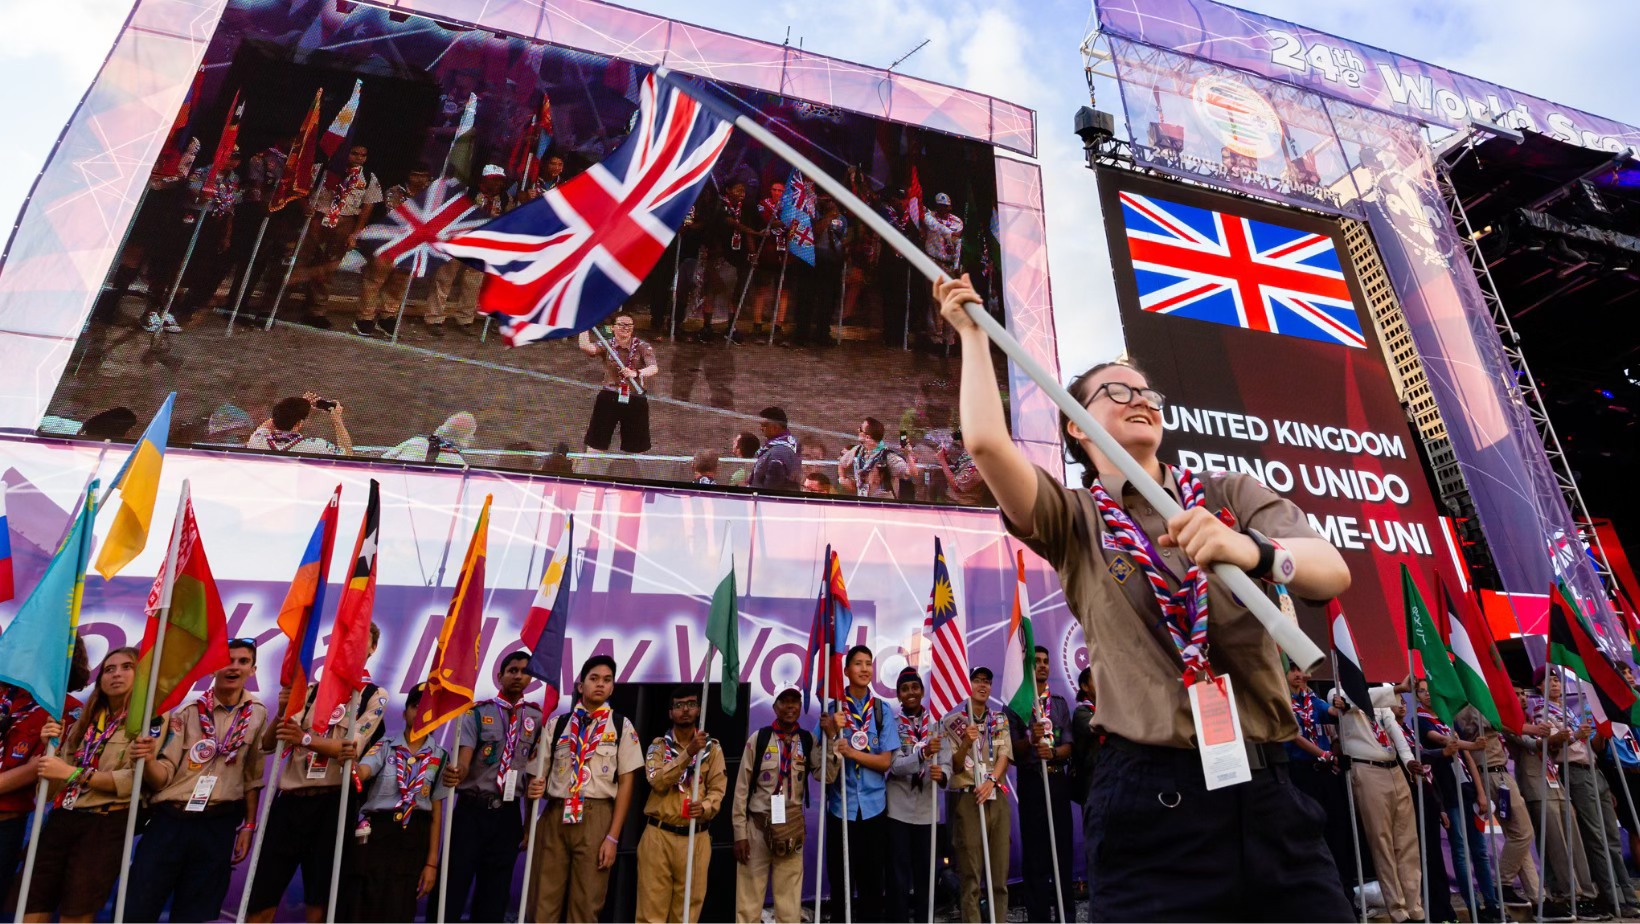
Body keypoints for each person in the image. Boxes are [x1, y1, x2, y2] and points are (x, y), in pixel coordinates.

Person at [935, 272, 1355, 921]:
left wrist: (1256, 551)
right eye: (1115, 391)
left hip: (1270, 800)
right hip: (1151, 810)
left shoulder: (1229, 494)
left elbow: (1330, 572)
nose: (1139, 398)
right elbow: (988, 445)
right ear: (1076, 426)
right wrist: (970, 333)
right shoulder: (1074, 519)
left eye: (1145, 390)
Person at [246, 624, 389, 923]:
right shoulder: (310, 693)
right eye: (346, 639)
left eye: (362, 640)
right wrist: (281, 712)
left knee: (321, 898)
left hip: (333, 804)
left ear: (372, 649)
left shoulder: (375, 697)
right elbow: (270, 744)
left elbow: (351, 746)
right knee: (262, 893)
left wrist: (306, 739)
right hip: (291, 801)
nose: (352, 645)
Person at [126, 639, 268, 922]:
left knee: (194, 914)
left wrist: (249, 826)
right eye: (227, 660)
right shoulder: (186, 711)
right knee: (139, 906)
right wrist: (147, 761)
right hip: (171, 821)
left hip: (218, 825)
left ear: (253, 670)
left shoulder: (259, 713)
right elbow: (164, 774)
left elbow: (252, 777)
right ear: (213, 667)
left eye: (242, 661)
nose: (234, 667)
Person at [24, 647, 160, 923]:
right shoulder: (82, 720)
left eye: (126, 667)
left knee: (76, 912)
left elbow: (136, 781)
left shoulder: (151, 721)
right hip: (62, 817)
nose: (116, 674)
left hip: (104, 823)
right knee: (32, 904)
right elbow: (49, 789)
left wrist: (73, 774)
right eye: (109, 669)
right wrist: (51, 747)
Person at [524, 655, 643, 923]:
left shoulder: (622, 727)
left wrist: (612, 838)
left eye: (607, 680)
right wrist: (535, 788)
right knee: (543, 903)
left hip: (597, 818)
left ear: (613, 688)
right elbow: (535, 776)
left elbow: (626, 785)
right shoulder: (558, 725)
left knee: (587, 905)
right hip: (556, 814)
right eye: (593, 679)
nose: (600, 685)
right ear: (580, 685)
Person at [439, 651, 542, 923]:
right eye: (512, 670)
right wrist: (456, 773)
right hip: (472, 811)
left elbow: (533, 777)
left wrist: (529, 827)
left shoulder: (536, 719)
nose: (518, 675)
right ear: (500, 676)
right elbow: (464, 759)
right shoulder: (476, 712)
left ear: (531, 678)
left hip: (508, 815)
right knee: (453, 885)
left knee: (495, 894)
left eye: (523, 671)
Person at [348, 685, 451, 922]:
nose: (420, 712)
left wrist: (432, 864)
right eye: (416, 706)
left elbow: (436, 813)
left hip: (414, 836)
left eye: (427, 708)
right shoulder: (385, 744)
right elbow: (364, 771)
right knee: (364, 902)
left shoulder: (441, 756)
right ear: (405, 713)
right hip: (377, 834)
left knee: (400, 906)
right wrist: (352, 763)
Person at [0, 640, 89, 908]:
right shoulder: (3, 694)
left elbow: (41, 768)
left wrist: (29, 770)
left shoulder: (66, 710)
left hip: (5, 824)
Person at [816, 645, 901, 921]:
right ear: (846, 671)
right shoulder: (833, 712)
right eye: (858, 664)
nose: (865, 669)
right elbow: (820, 768)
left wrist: (852, 753)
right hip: (841, 809)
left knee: (872, 886)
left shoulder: (881, 711)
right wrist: (830, 733)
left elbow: (885, 762)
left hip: (874, 811)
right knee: (841, 886)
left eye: (868, 664)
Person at [733, 685, 828, 923]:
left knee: (789, 904)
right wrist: (739, 834)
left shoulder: (807, 740)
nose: (790, 707)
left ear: (799, 707)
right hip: (757, 828)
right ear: (775, 707)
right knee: (748, 902)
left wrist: (833, 740)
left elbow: (825, 775)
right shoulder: (760, 739)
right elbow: (741, 789)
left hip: (791, 829)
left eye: (794, 701)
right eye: (784, 701)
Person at [1550, 668, 1640, 916]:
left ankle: (1627, 896)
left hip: (1594, 769)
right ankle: (1612, 899)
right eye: (1551, 680)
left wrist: (1601, 730)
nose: (1556, 684)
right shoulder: (1545, 711)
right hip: (1575, 772)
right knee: (1597, 839)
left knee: (1612, 837)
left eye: (1558, 679)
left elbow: (1594, 746)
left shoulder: (1571, 710)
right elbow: (1554, 744)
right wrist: (1577, 735)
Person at [636, 687, 727, 923]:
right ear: (670, 712)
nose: (685, 709)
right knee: (650, 912)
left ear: (699, 709)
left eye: (691, 704)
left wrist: (706, 807)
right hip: (659, 835)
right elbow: (656, 781)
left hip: (695, 838)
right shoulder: (658, 746)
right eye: (679, 705)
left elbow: (718, 789)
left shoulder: (713, 749)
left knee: (687, 912)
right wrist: (688, 753)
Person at [1338, 679, 1424, 923]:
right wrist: (1396, 690)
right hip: (1367, 770)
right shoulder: (1338, 690)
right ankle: (1398, 912)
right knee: (1382, 843)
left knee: (1408, 843)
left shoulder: (1382, 703)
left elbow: (1396, 734)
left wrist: (1408, 761)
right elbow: (1352, 700)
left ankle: (1415, 908)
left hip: (1394, 768)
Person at [936, 666, 1010, 924]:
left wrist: (991, 780)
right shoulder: (952, 722)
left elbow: (1004, 755)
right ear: (967, 684)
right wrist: (967, 742)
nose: (982, 685)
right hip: (968, 796)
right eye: (977, 680)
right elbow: (954, 765)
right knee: (970, 876)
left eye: (987, 681)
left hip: (995, 795)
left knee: (999, 876)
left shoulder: (999, 719)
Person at [1008, 646, 1075, 923]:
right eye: (1037, 662)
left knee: (1063, 852)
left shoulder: (1059, 703)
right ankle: (1038, 918)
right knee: (1036, 856)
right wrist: (1031, 742)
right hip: (1032, 782)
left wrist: (1056, 753)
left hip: (1058, 780)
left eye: (1046, 661)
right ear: (1028, 667)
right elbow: (1010, 751)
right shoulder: (1015, 706)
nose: (1043, 665)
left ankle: (1066, 916)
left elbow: (1070, 744)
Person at [1519, 682, 1595, 917]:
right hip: (1535, 783)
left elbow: (1551, 750)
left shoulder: (1532, 718)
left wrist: (1568, 738)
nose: (1521, 698)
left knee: (1573, 839)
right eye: (1516, 695)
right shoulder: (1514, 722)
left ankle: (1586, 892)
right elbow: (1532, 744)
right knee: (1556, 843)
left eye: (1522, 694)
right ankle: (1570, 895)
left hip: (1554, 778)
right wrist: (1561, 737)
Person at [1283, 662, 1353, 907]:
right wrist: (1324, 756)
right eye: (1293, 671)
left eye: (1302, 670)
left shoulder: (1311, 698)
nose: (1299, 676)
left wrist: (1340, 706)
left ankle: (1344, 897)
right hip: (1298, 774)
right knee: (1308, 834)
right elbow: (1294, 734)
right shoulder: (1280, 698)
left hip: (1323, 773)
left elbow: (1330, 714)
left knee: (1336, 832)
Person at [1462, 705, 1542, 910]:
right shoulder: (1467, 705)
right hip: (1490, 773)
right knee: (1523, 833)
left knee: (1518, 836)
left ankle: (1539, 899)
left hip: (1500, 772)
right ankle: (1502, 883)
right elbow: (1493, 723)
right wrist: (1529, 728)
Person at [296, 144, 383, 328]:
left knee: (327, 267)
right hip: (318, 218)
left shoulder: (367, 177)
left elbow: (368, 205)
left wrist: (355, 232)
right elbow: (299, 188)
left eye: (363, 155)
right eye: (354, 153)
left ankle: (317, 310)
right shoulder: (323, 169)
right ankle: (275, 304)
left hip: (345, 221)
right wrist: (305, 207)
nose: (358, 158)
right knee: (301, 260)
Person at [885, 666, 944, 922]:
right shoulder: (892, 725)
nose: (911, 693)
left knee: (926, 875)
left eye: (915, 687)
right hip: (898, 809)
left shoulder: (937, 722)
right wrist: (922, 754)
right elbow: (896, 765)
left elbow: (948, 761)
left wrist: (944, 775)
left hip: (927, 810)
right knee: (898, 877)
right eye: (905, 689)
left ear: (922, 691)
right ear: (899, 695)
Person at [165, 146, 246, 329]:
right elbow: (195, 195)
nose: (231, 161)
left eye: (235, 158)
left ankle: (185, 308)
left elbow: (231, 209)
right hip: (195, 220)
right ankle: (167, 303)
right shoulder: (203, 172)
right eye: (228, 156)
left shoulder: (233, 180)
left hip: (216, 223)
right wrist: (207, 190)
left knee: (204, 268)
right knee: (183, 263)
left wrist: (227, 235)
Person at [353, 163, 433, 337]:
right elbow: (397, 216)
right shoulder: (395, 192)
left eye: (424, 175)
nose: (420, 179)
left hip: (410, 246)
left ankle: (388, 316)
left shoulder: (431, 196)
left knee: (399, 281)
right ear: (409, 175)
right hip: (388, 242)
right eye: (416, 174)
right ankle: (365, 317)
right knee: (375, 280)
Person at [578, 314, 658, 456]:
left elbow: (653, 368)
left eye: (629, 325)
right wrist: (584, 325)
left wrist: (637, 373)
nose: (625, 328)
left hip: (634, 398)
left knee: (636, 448)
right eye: (621, 324)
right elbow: (586, 347)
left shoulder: (642, 346)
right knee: (596, 443)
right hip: (610, 396)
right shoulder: (607, 344)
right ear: (613, 327)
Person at [248, 393, 353, 456]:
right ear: (298, 424)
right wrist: (337, 420)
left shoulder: (257, 441)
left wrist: (298, 406)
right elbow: (347, 454)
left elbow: (268, 424)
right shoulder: (316, 447)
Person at [838, 417, 911, 499]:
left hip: (883, 506)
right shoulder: (857, 451)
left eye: (861, 429)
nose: (858, 430)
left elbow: (910, 472)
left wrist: (908, 454)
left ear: (867, 437)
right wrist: (842, 479)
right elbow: (841, 463)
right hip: (863, 504)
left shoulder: (888, 456)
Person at [381, 412, 476, 465]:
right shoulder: (457, 462)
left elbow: (383, 462)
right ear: (466, 438)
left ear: (443, 426)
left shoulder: (414, 442)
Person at [936, 430, 993, 506]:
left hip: (963, 505)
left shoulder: (978, 464)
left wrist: (942, 461)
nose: (962, 443)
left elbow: (956, 486)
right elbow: (959, 467)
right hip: (951, 501)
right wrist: (946, 459)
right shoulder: (969, 455)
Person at [749, 407, 800, 490]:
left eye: (764, 425)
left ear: (775, 427)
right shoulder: (788, 445)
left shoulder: (779, 452)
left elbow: (772, 488)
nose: (761, 428)